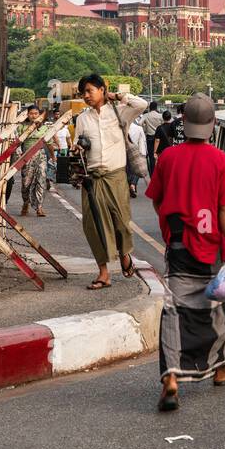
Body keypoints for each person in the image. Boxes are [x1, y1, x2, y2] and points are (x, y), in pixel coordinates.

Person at [146, 93, 225, 412]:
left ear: (183, 123)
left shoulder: (168, 158)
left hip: (178, 245)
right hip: (210, 250)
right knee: (216, 309)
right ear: (212, 126)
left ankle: (171, 378)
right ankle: (221, 370)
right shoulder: (220, 161)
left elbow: (157, 199)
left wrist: (169, 226)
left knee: (175, 310)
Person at [72, 73, 149, 290]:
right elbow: (77, 146)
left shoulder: (119, 112)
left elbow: (141, 104)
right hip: (92, 178)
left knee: (121, 223)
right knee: (93, 226)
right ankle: (104, 273)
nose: (86, 96)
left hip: (116, 176)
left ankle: (124, 255)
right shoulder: (82, 119)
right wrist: (77, 149)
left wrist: (116, 96)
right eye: (83, 92)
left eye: (90, 90)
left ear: (102, 90)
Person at [19, 106, 53, 217]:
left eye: (36, 113)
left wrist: (53, 156)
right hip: (26, 157)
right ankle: (25, 203)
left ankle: (39, 207)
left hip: (41, 156)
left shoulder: (44, 128)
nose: (34, 115)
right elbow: (17, 143)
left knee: (41, 181)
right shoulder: (22, 127)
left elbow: (49, 143)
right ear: (27, 115)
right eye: (31, 113)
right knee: (26, 182)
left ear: (39, 115)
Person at [126, 115, 149, 198]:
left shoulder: (122, 128)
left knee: (127, 170)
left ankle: (129, 185)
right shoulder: (138, 128)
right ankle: (133, 184)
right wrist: (143, 153)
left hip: (124, 151)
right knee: (137, 169)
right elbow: (143, 140)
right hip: (136, 151)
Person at [141, 103, 164, 174]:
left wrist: (145, 127)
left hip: (150, 138)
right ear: (156, 107)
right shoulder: (160, 116)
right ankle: (160, 172)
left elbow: (139, 123)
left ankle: (153, 174)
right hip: (159, 138)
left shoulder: (146, 115)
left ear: (149, 108)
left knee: (151, 157)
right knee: (160, 156)